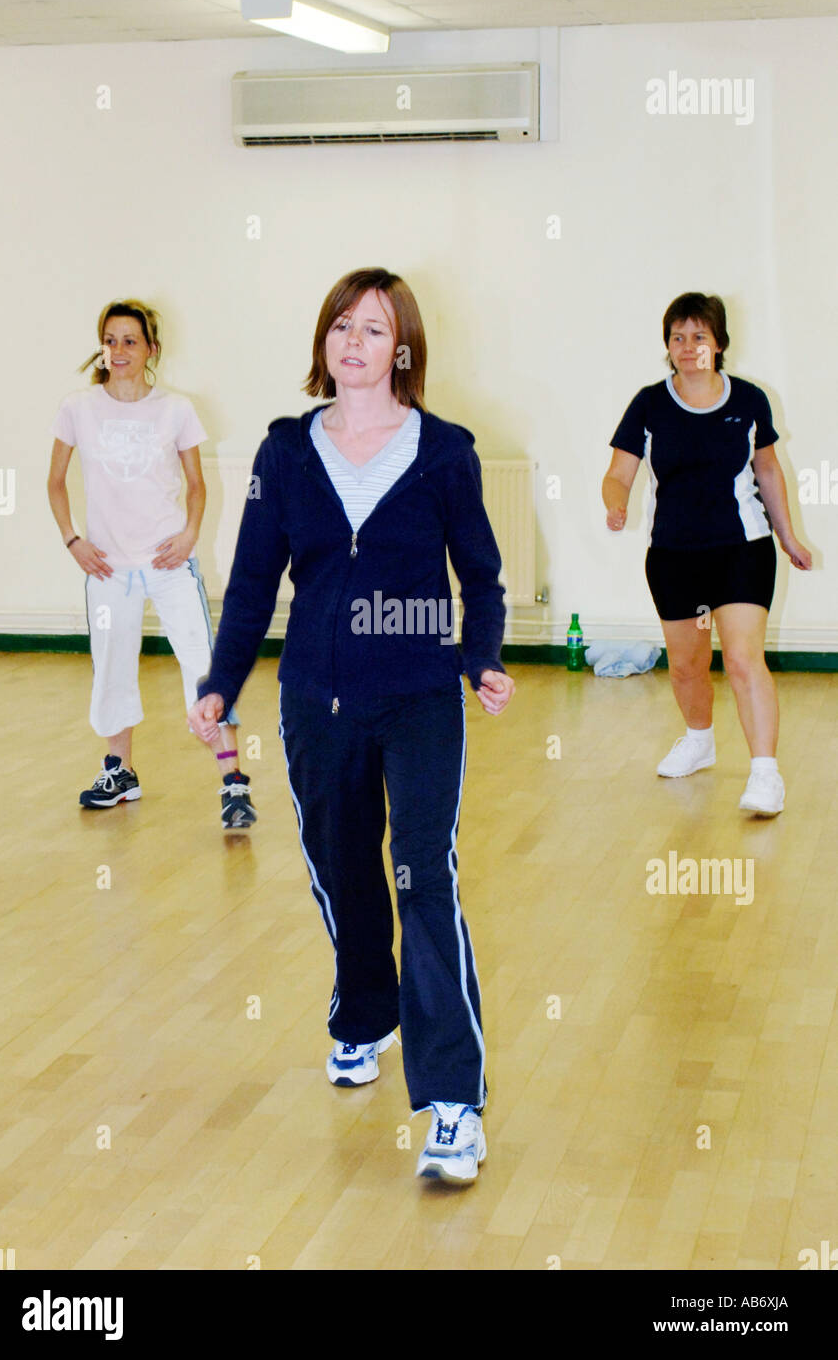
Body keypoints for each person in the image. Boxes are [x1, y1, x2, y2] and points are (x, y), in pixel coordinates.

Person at [188, 267, 514, 1184]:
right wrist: (221, 681)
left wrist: (480, 656)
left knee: (422, 877)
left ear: (402, 348)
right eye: (340, 326)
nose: (353, 342)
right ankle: (365, 1013)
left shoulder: (446, 451)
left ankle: (452, 1102)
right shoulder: (285, 452)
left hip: (417, 698)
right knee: (342, 870)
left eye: (373, 329)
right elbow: (254, 581)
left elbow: (480, 577)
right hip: (315, 699)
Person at [47, 298, 256, 830]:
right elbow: (54, 482)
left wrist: (189, 536)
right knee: (112, 664)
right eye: (111, 340)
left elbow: (196, 485)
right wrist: (74, 541)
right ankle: (120, 771)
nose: (119, 350)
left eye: (130, 341)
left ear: (151, 349)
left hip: (167, 562)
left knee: (203, 665)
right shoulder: (78, 407)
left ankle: (233, 784)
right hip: (107, 568)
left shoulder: (176, 409)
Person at [602, 292, 811, 816]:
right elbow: (618, 472)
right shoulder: (649, 403)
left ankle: (766, 774)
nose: (688, 346)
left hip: (743, 549)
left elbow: (768, 470)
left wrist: (789, 537)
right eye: (677, 337)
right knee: (687, 667)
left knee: (743, 660)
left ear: (718, 343)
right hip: (674, 556)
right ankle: (699, 739)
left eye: (699, 336)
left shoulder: (748, 401)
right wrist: (616, 505)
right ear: (667, 346)